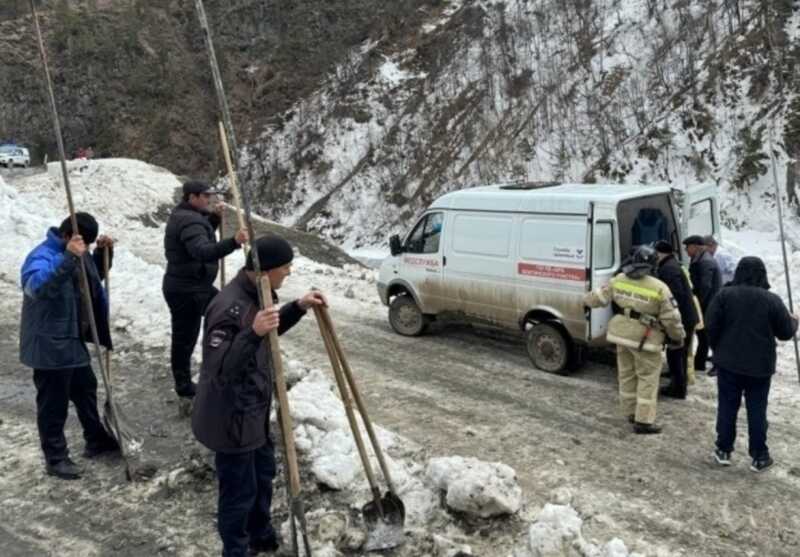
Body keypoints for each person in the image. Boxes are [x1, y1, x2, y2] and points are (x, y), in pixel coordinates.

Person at [192, 235, 326, 557]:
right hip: (232, 418)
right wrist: (253, 332)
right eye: (285, 267)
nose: (290, 272)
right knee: (238, 493)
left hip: (254, 411)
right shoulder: (228, 306)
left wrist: (297, 307)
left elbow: (268, 333)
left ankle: (259, 535)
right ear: (264, 271)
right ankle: (236, 550)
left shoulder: (257, 294)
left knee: (264, 475)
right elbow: (219, 369)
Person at [19, 212, 120, 480]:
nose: (83, 249)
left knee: (86, 388)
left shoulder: (76, 250)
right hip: (49, 344)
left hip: (72, 338)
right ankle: (55, 458)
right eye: (81, 245)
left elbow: (88, 278)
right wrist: (68, 258)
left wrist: (101, 254)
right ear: (67, 236)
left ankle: (95, 439)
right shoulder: (41, 256)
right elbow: (36, 287)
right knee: (53, 403)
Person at [705, 257, 798, 472]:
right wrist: (794, 321)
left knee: (727, 406)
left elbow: (711, 325)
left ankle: (724, 449)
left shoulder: (724, 295)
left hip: (728, 364)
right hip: (760, 367)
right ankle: (760, 455)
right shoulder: (771, 300)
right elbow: (785, 332)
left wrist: (718, 350)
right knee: (757, 410)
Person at [585, 246, 685, 434]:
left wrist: (584, 300)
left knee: (627, 374)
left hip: (621, 334)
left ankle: (630, 412)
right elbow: (671, 319)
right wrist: (677, 337)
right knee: (647, 378)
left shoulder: (619, 279)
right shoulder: (659, 287)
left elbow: (595, 298)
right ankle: (644, 421)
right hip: (645, 339)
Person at [163, 181, 248, 400]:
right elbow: (201, 250)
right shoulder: (189, 220)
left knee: (204, 326)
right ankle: (190, 384)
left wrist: (214, 220)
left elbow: (199, 234)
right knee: (192, 334)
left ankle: (204, 375)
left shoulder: (185, 215)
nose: (209, 199)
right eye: (205, 196)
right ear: (192, 197)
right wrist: (234, 242)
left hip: (190, 285)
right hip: (188, 289)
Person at [654, 241, 698, 399]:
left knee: (676, 353)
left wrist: (670, 319)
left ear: (660, 253)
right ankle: (678, 383)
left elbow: (675, 296)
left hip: (682, 318)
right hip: (685, 316)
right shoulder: (671, 264)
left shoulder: (668, 269)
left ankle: (678, 389)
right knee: (679, 353)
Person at [683, 235, 721, 375]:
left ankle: (718, 364)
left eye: (687, 247)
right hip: (705, 302)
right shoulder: (698, 258)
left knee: (709, 334)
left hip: (708, 303)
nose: (686, 250)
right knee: (703, 334)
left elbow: (705, 286)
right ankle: (699, 363)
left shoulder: (705, 262)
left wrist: (697, 304)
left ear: (695, 247)